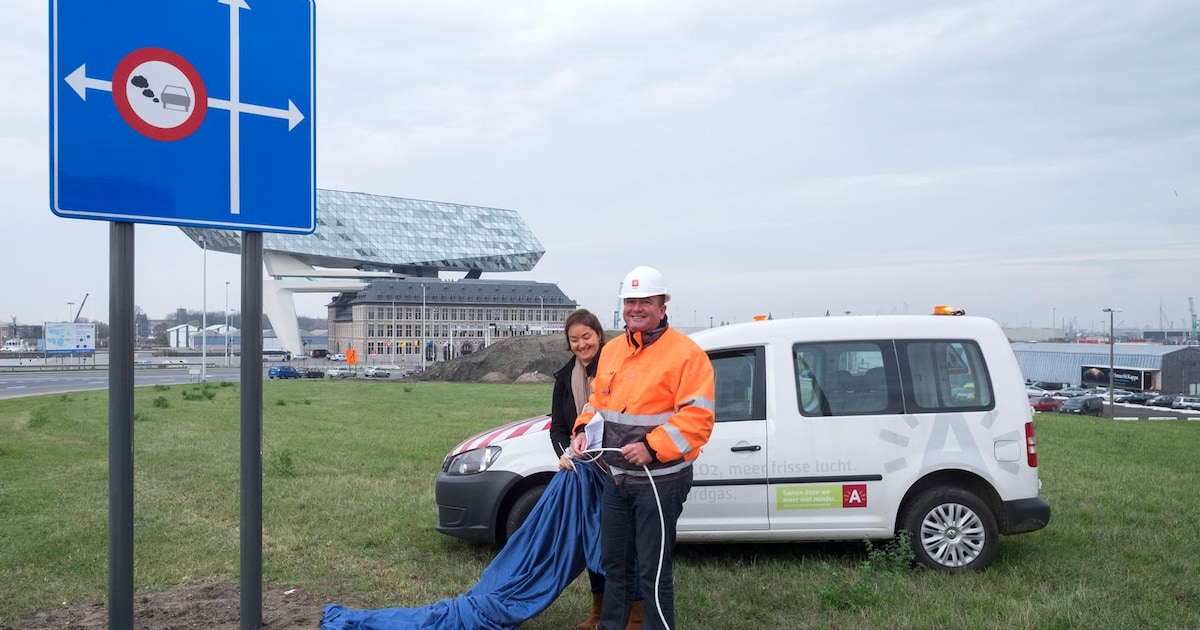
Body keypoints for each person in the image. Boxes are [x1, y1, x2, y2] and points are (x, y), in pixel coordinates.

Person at [570, 265, 715, 630]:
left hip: (661, 481)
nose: (635, 308)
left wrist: (652, 447)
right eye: (630, 301)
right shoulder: (614, 350)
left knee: (653, 573)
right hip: (617, 480)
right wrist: (584, 429)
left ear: (662, 306)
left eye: (644, 301)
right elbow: (596, 404)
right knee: (616, 567)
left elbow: (698, 418)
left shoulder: (686, 354)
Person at [550, 309, 613, 630]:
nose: (581, 344)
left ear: (599, 336)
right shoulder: (565, 378)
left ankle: (631, 614)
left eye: (586, 337)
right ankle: (599, 613)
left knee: (616, 542)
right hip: (582, 471)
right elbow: (558, 426)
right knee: (591, 538)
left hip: (615, 469)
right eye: (574, 339)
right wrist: (564, 452)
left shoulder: (617, 368)